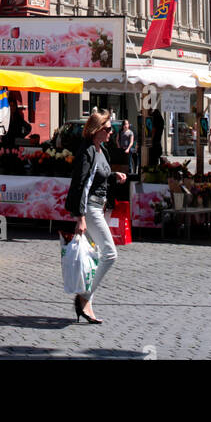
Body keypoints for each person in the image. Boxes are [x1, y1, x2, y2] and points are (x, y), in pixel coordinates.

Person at [65, 109, 128, 324]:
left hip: (99, 207)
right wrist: (80, 217)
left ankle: (86, 300)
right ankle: (84, 297)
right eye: (109, 129)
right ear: (98, 130)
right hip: (90, 209)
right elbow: (80, 185)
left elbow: (97, 177)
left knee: (98, 255)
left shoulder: (101, 150)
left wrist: (112, 176)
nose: (112, 133)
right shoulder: (87, 151)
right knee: (110, 254)